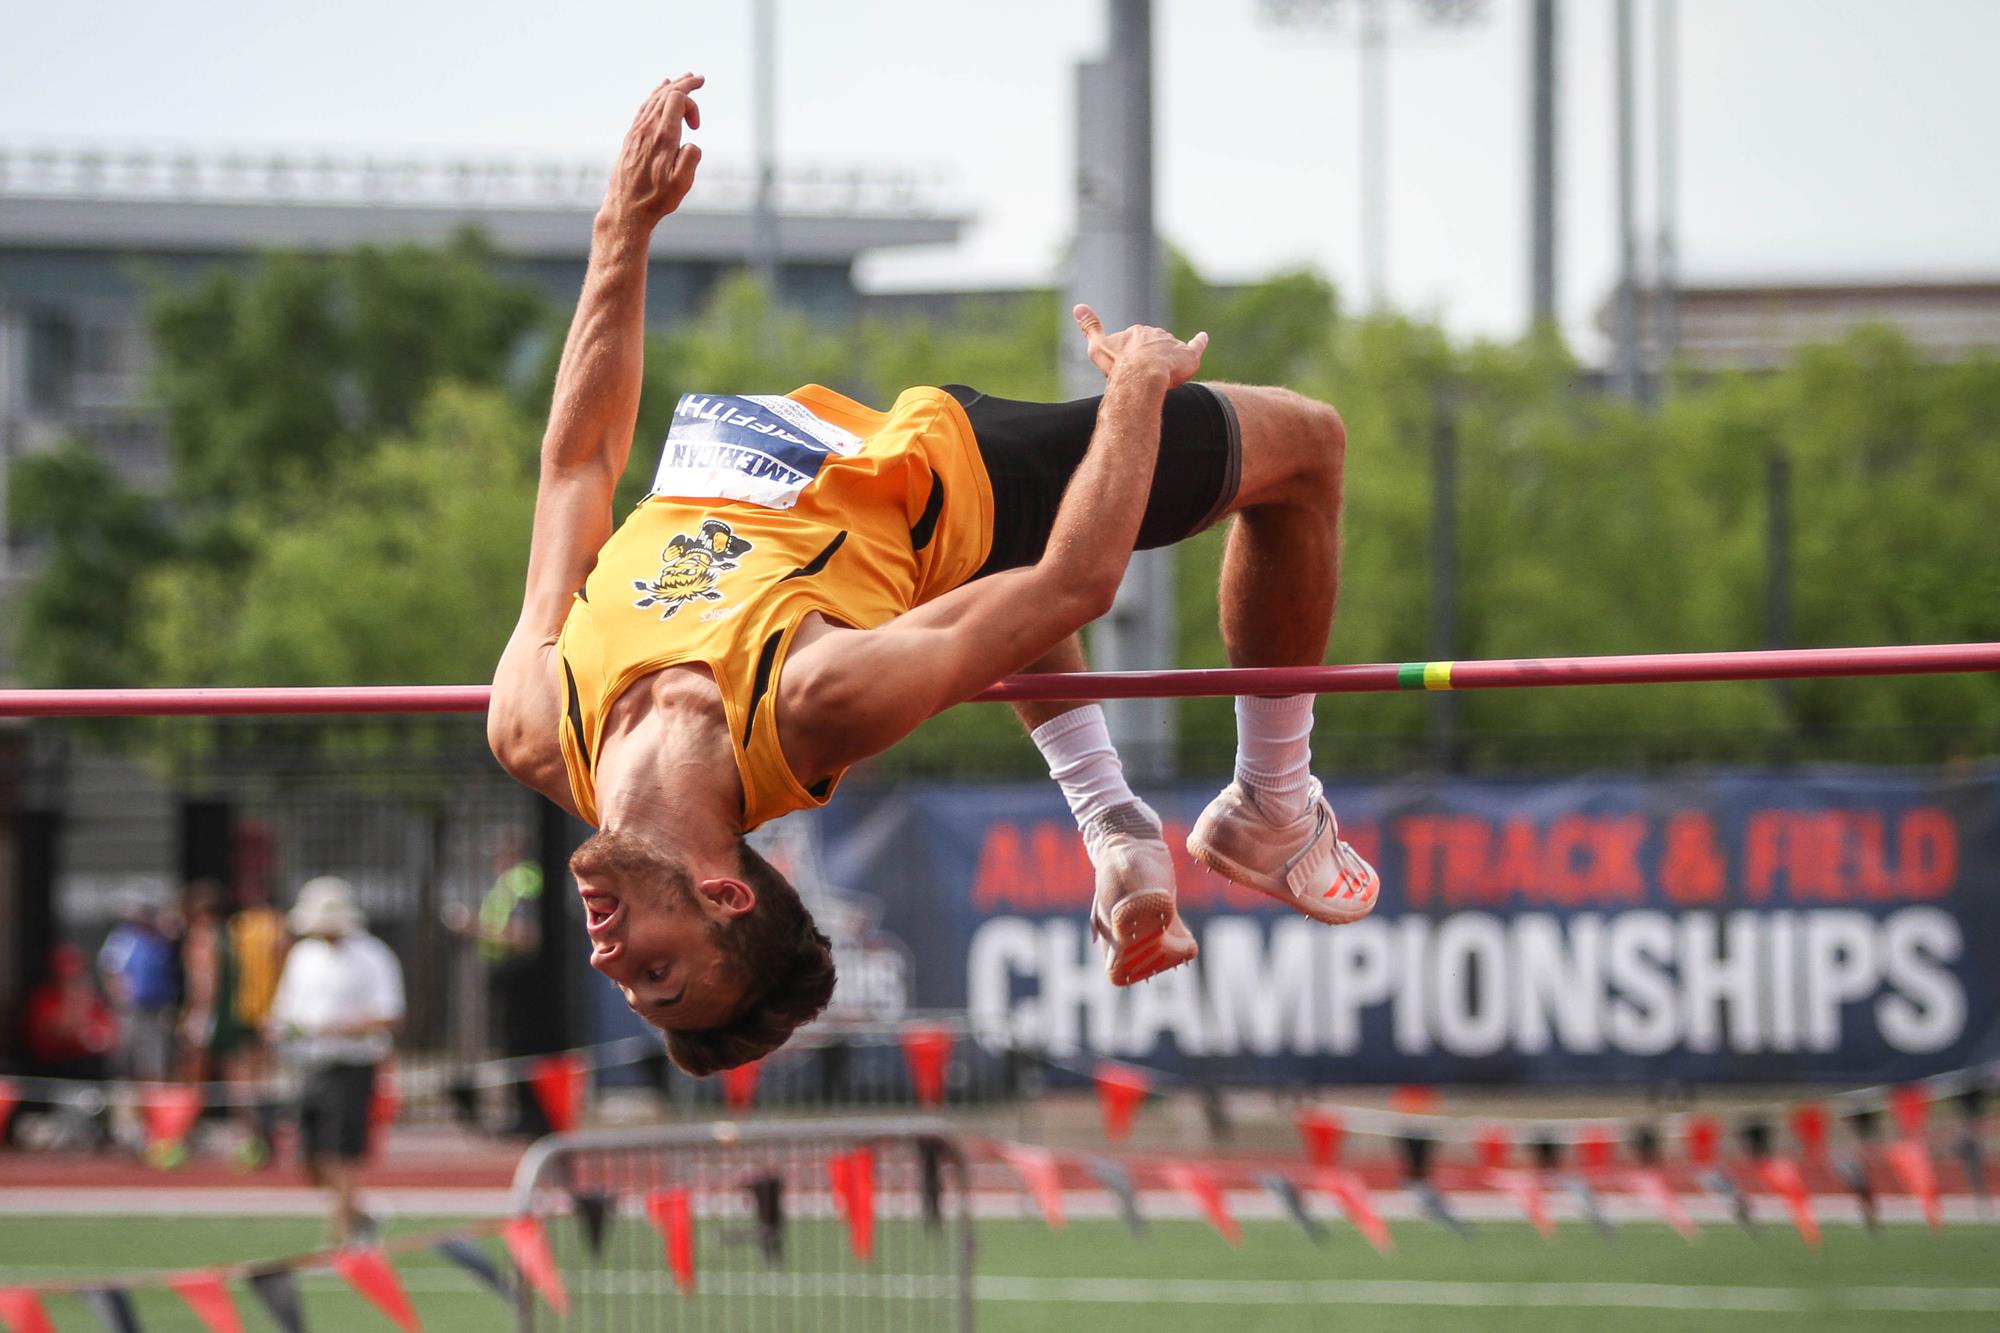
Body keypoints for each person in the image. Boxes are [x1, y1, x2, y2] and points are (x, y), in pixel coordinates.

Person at [487, 74, 1379, 1078]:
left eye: (626, 984)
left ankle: (1114, 822)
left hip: (822, 488)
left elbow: (575, 469)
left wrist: (622, 230)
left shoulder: (534, 719)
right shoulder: (813, 703)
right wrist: (1131, 390)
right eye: (658, 975)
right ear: (723, 894)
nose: (608, 956)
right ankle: (1272, 804)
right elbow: (1066, 585)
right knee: (1305, 446)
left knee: (973, 614)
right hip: (965, 477)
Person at [267, 877, 405, 1245]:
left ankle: (342, 1240)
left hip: (352, 1065)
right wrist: (279, 1030)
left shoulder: (373, 955)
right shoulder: (303, 956)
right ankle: (360, 1214)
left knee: (341, 1152)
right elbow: (285, 1009)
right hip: (309, 1064)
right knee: (308, 1157)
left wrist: (340, 1028)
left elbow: (390, 1014)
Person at [96, 894, 179, 1083]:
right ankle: (125, 1105)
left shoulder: (159, 940)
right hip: (130, 1010)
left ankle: (152, 1103)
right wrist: (120, 997)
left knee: (154, 1058)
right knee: (125, 1057)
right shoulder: (123, 938)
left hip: (156, 1009)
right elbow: (110, 969)